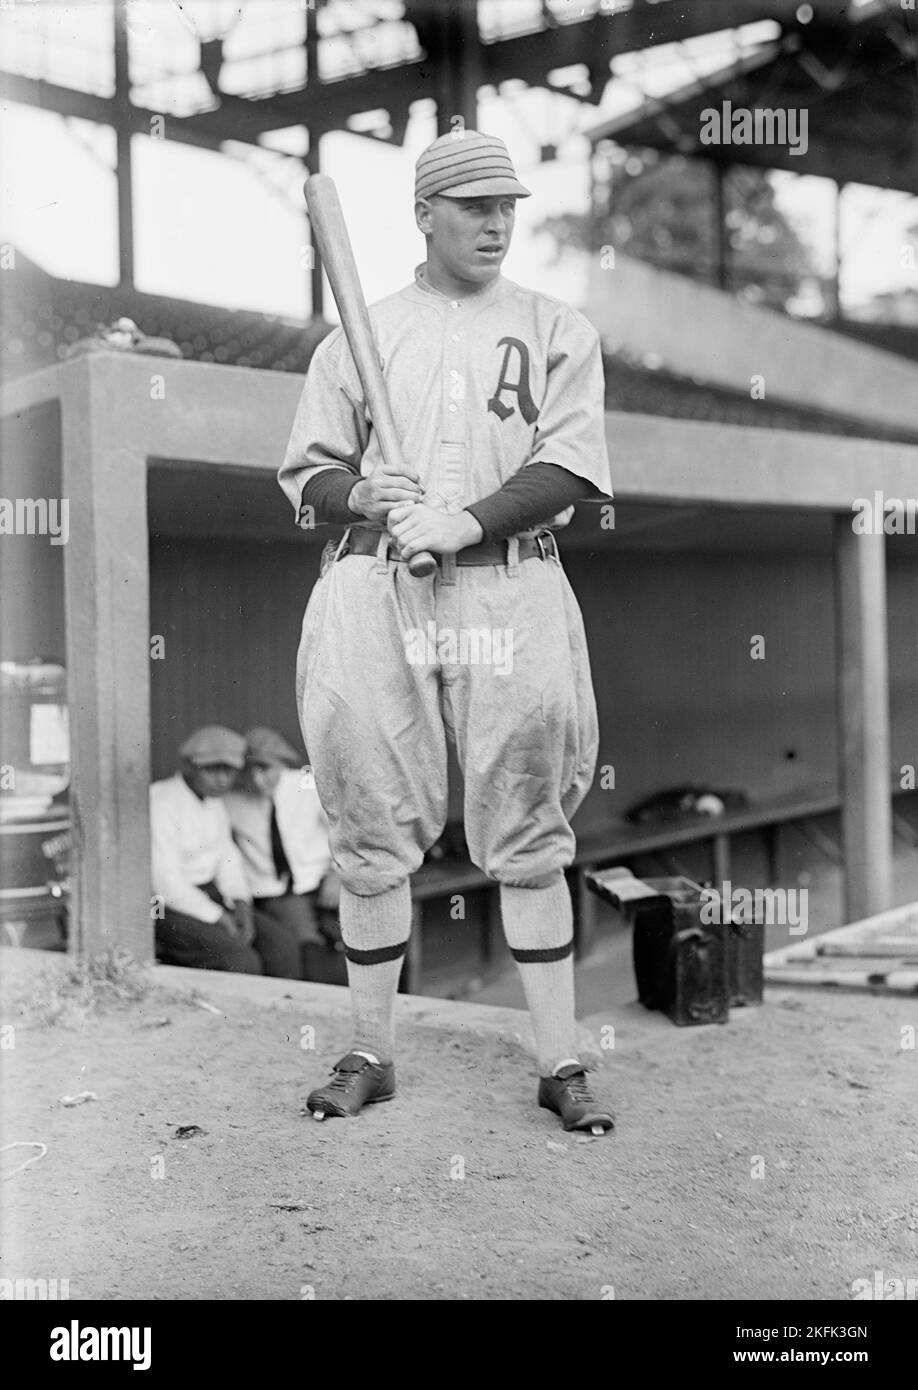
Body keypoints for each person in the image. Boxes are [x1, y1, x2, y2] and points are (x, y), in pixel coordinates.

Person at [279, 130, 615, 1133]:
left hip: (511, 586)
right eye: (473, 204)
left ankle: (559, 1060)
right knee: (370, 823)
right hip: (376, 588)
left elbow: (574, 465)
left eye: (507, 202)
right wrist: (367, 494)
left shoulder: (561, 326)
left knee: (529, 824)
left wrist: (462, 519)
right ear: (424, 214)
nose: (498, 220)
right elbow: (307, 478)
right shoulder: (358, 336)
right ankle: (369, 1049)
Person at [150, 726, 300, 977]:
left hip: (211, 897)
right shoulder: (160, 802)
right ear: (189, 766)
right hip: (165, 907)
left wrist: (240, 902)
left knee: (281, 946)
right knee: (241, 961)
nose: (222, 779)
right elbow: (166, 884)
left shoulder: (214, 801)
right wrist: (218, 916)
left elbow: (227, 858)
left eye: (229, 770)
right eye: (212, 769)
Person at [225, 727, 341, 977]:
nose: (256, 779)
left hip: (322, 880)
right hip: (274, 891)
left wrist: (338, 873)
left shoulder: (308, 782)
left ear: (282, 764)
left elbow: (344, 828)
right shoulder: (230, 798)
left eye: (265, 768)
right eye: (249, 769)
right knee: (307, 950)